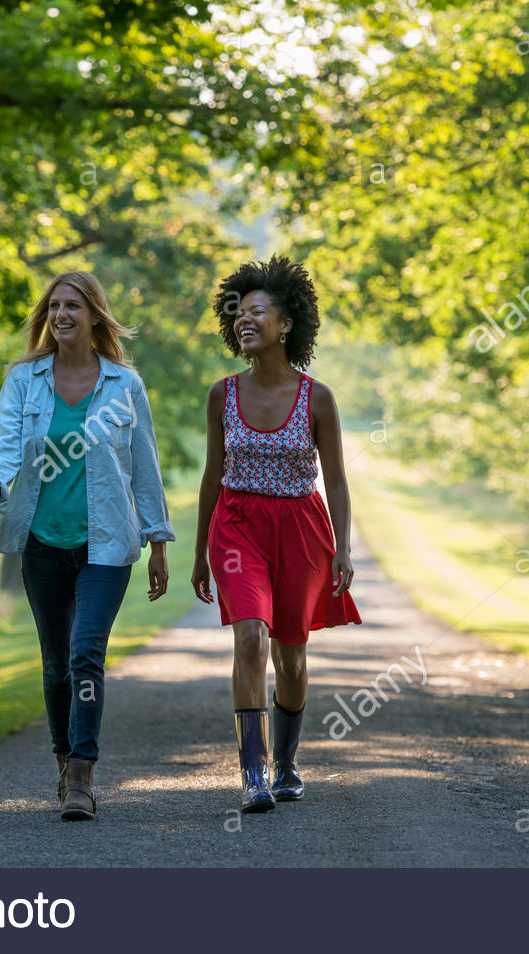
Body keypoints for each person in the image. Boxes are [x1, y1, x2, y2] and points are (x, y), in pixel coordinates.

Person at [0, 270, 174, 822]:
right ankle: (63, 760)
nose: (62, 315)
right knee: (57, 663)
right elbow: (5, 441)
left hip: (104, 543)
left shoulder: (124, 386)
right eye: (54, 306)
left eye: (73, 306)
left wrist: (157, 539)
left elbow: (144, 467)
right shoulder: (25, 380)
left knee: (86, 654)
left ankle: (82, 772)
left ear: (94, 316)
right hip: (41, 540)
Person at [191, 253, 360, 813]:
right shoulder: (222, 394)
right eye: (237, 312)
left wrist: (344, 548)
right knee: (248, 637)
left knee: (291, 657)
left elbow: (334, 480)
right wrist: (198, 555)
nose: (244, 320)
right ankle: (253, 774)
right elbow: (211, 477)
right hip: (238, 526)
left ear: (285, 325)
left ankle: (287, 764)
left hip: (302, 531)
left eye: (256, 312)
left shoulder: (318, 398)